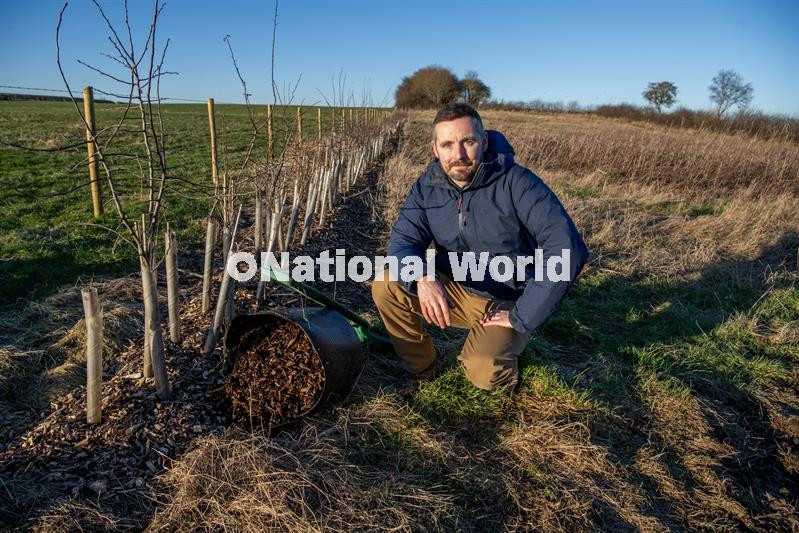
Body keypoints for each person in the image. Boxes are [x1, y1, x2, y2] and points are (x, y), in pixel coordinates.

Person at [371, 103, 588, 396]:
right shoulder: (427, 186)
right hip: (455, 291)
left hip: (507, 300)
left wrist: (521, 316)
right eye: (447, 145)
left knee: (484, 374)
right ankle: (424, 370)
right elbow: (402, 243)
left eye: (468, 142)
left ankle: (498, 349)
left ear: (483, 142)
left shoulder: (518, 183)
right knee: (387, 284)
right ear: (435, 149)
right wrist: (422, 277)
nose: (458, 155)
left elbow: (566, 247)